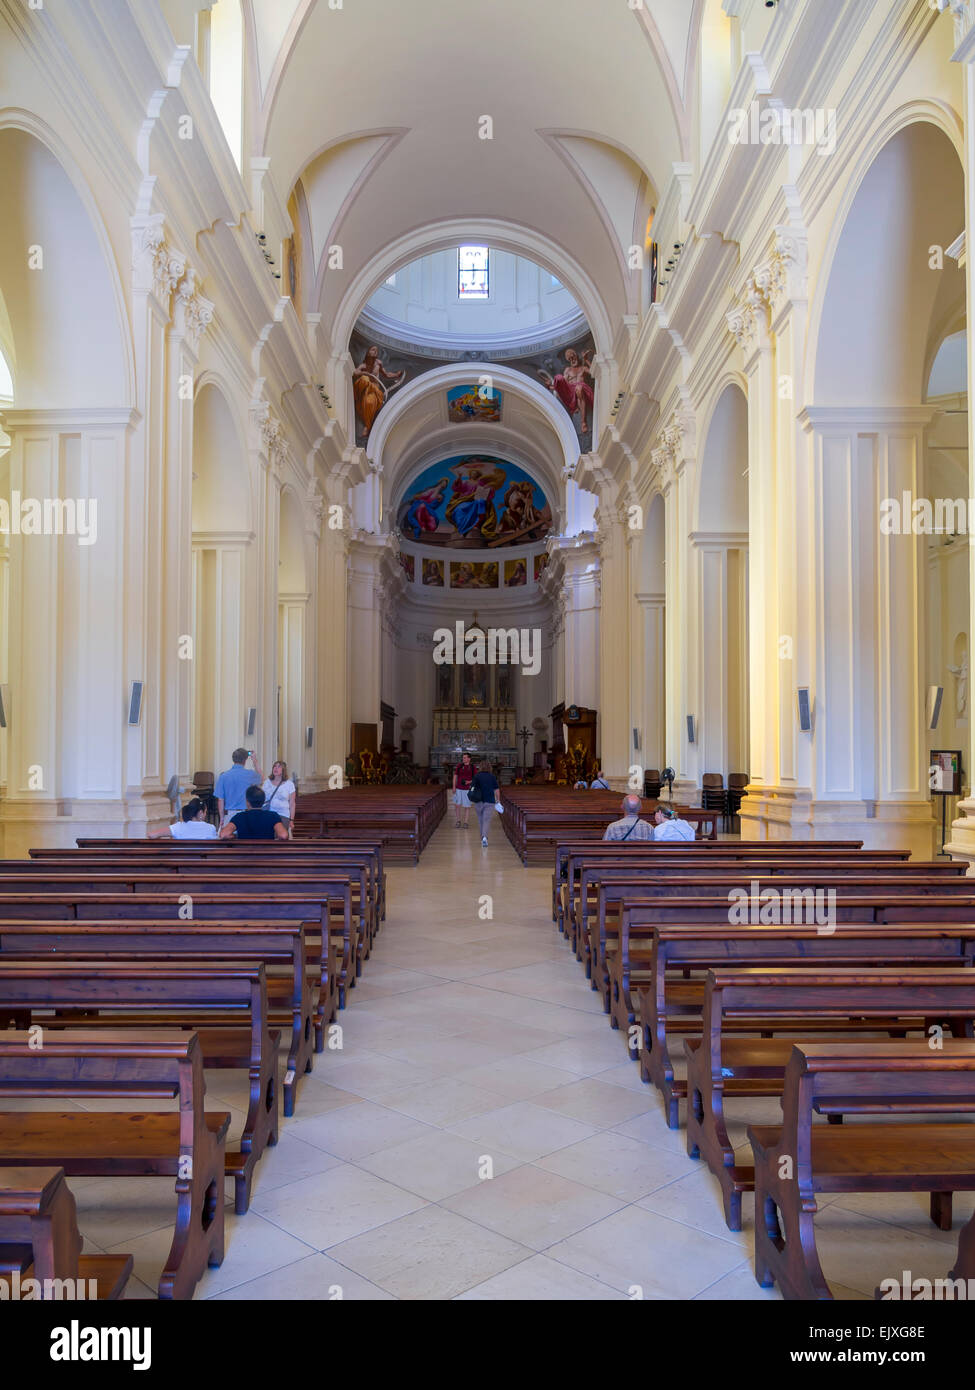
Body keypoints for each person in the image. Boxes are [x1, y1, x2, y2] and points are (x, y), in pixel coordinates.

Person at [219, 783, 288, 841]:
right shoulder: (273, 816)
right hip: (266, 854)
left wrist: (236, 836)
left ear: (247, 802)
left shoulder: (239, 817)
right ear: (263, 801)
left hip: (244, 855)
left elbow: (223, 834)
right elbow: (283, 835)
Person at [215, 747, 262, 827]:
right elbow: (261, 779)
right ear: (245, 760)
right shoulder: (250, 774)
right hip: (245, 814)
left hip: (229, 814)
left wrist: (222, 818)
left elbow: (220, 800)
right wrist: (255, 761)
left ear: (233, 759)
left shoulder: (223, 776)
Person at [149, 796, 217, 841]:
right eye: (205, 812)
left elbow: (152, 835)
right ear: (201, 813)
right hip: (202, 862)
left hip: (181, 862)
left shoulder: (178, 827)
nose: (205, 815)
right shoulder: (211, 828)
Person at [470, 761, 502, 846]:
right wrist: (498, 800)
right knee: (486, 820)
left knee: (480, 820)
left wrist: (471, 796)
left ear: (480, 767)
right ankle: (484, 837)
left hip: (478, 800)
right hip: (489, 800)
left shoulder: (476, 776)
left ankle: (482, 837)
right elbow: (496, 789)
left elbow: (472, 787)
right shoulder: (492, 777)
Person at [262, 760, 296, 831]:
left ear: (283, 770)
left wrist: (291, 820)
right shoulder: (266, 783)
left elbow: (292, 804)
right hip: (268, 815)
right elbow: (262, 799)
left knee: (281, 838)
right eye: (274, 766)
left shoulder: (289, 784)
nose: (276, 768)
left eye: (279, 767)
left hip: (283, 815)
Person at [453, 751, 474, 829]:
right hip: (458, 788)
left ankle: (466, 822)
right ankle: (458, 821)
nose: (463, 759)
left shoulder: (472, 767)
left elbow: (475, 779)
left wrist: (468, 782)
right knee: (457, 805)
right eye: (463, 757)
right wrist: (454, 786)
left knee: (467, 806)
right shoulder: (459, 766)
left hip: (468, 789)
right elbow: (455, 776)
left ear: (469, 759)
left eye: (465, 757)